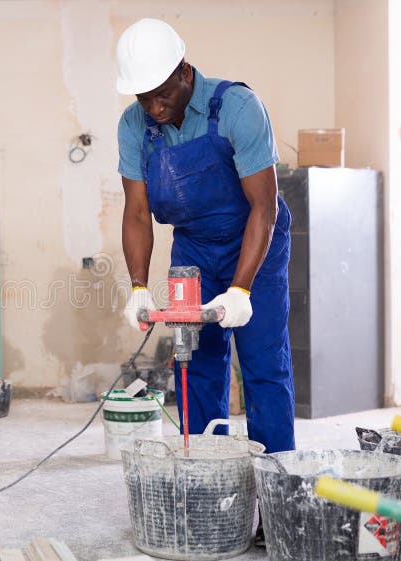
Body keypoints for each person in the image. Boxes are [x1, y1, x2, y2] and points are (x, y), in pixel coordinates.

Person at [116, 18, 295, 546]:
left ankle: (277, 502)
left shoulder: (237, 106)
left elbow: (265, 204)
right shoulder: (134, 125)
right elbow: (136, 210)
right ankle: (208, 494)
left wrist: (240, 290)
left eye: (162, 94)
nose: (154, 107)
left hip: (252, 241)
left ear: (185, 72)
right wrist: (137, 286)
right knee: (195, 365)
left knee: (263, 365)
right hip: (192, 246)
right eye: (144, 97)